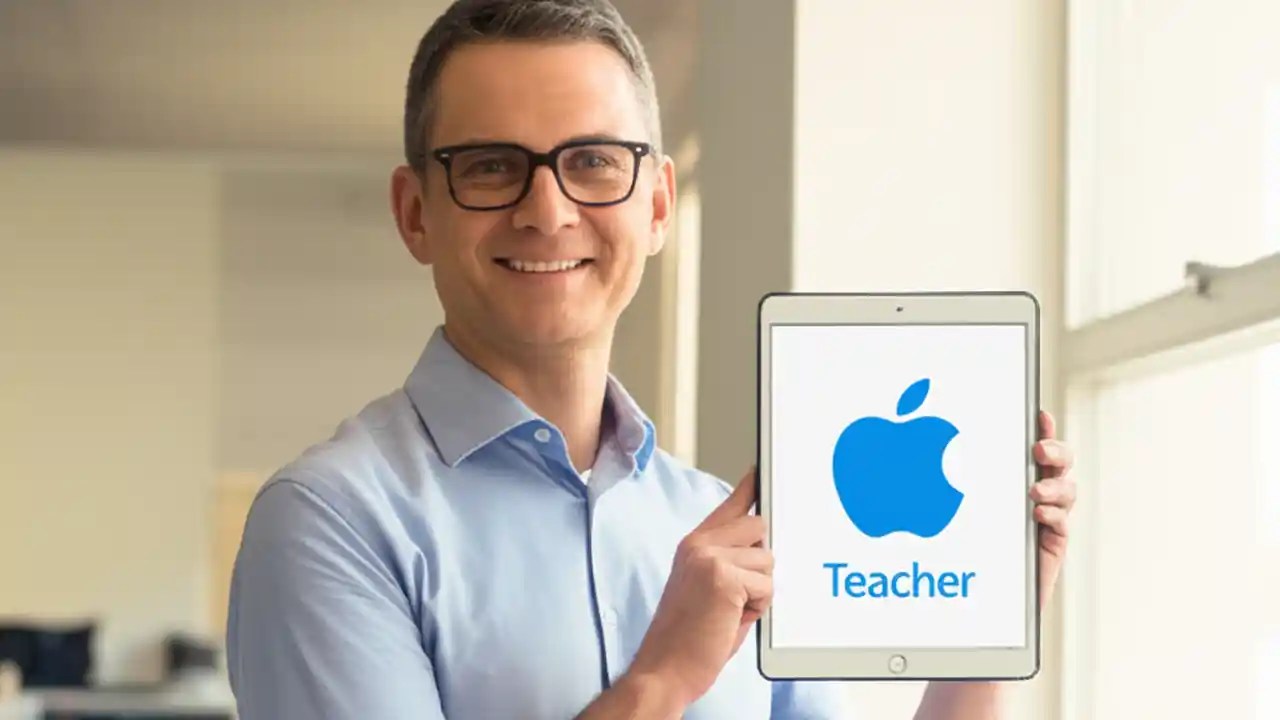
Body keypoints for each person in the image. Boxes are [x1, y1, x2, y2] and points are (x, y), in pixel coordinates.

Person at [225, 1, 1079, 718]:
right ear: (416, 214)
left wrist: (990, 636)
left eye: (594, 161)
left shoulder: (722, 528)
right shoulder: (329, 523)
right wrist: (663, 680)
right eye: (490, 167)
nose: (547, 211)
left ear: (659, 204)